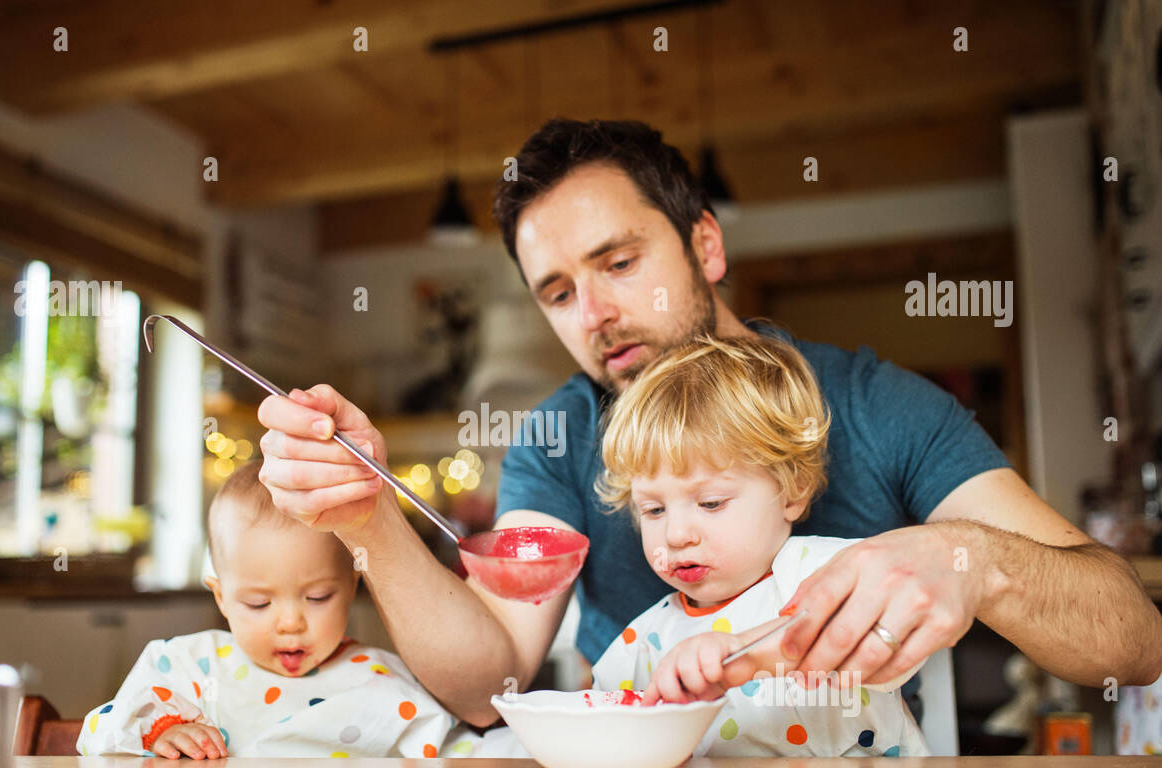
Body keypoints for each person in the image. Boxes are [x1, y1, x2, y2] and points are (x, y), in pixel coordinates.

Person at [256, 118, 1162, 729]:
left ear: (706, 246)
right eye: (560, 292)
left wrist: (976, 558)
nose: (597, 314)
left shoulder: (879, 404)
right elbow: (491, 684)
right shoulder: (555, 436)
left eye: (619, 262)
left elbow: (1134, 637)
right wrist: (367, 520)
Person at [589, 333, 929, 756]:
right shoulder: (644, 643)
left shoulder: (823, 573)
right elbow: (604, 734)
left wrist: (740, 652)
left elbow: (890, 632)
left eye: (710, 502)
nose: (676, 535)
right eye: (654, 510)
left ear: (792, 491)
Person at [77, 461, 521, 758]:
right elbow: (101, 736)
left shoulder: (383, 682)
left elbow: (470, 758)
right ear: (221, 598)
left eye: (317, 598)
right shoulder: (186, 667)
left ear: (352, 586)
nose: (290, 623)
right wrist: (161, 733)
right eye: (258, 602)